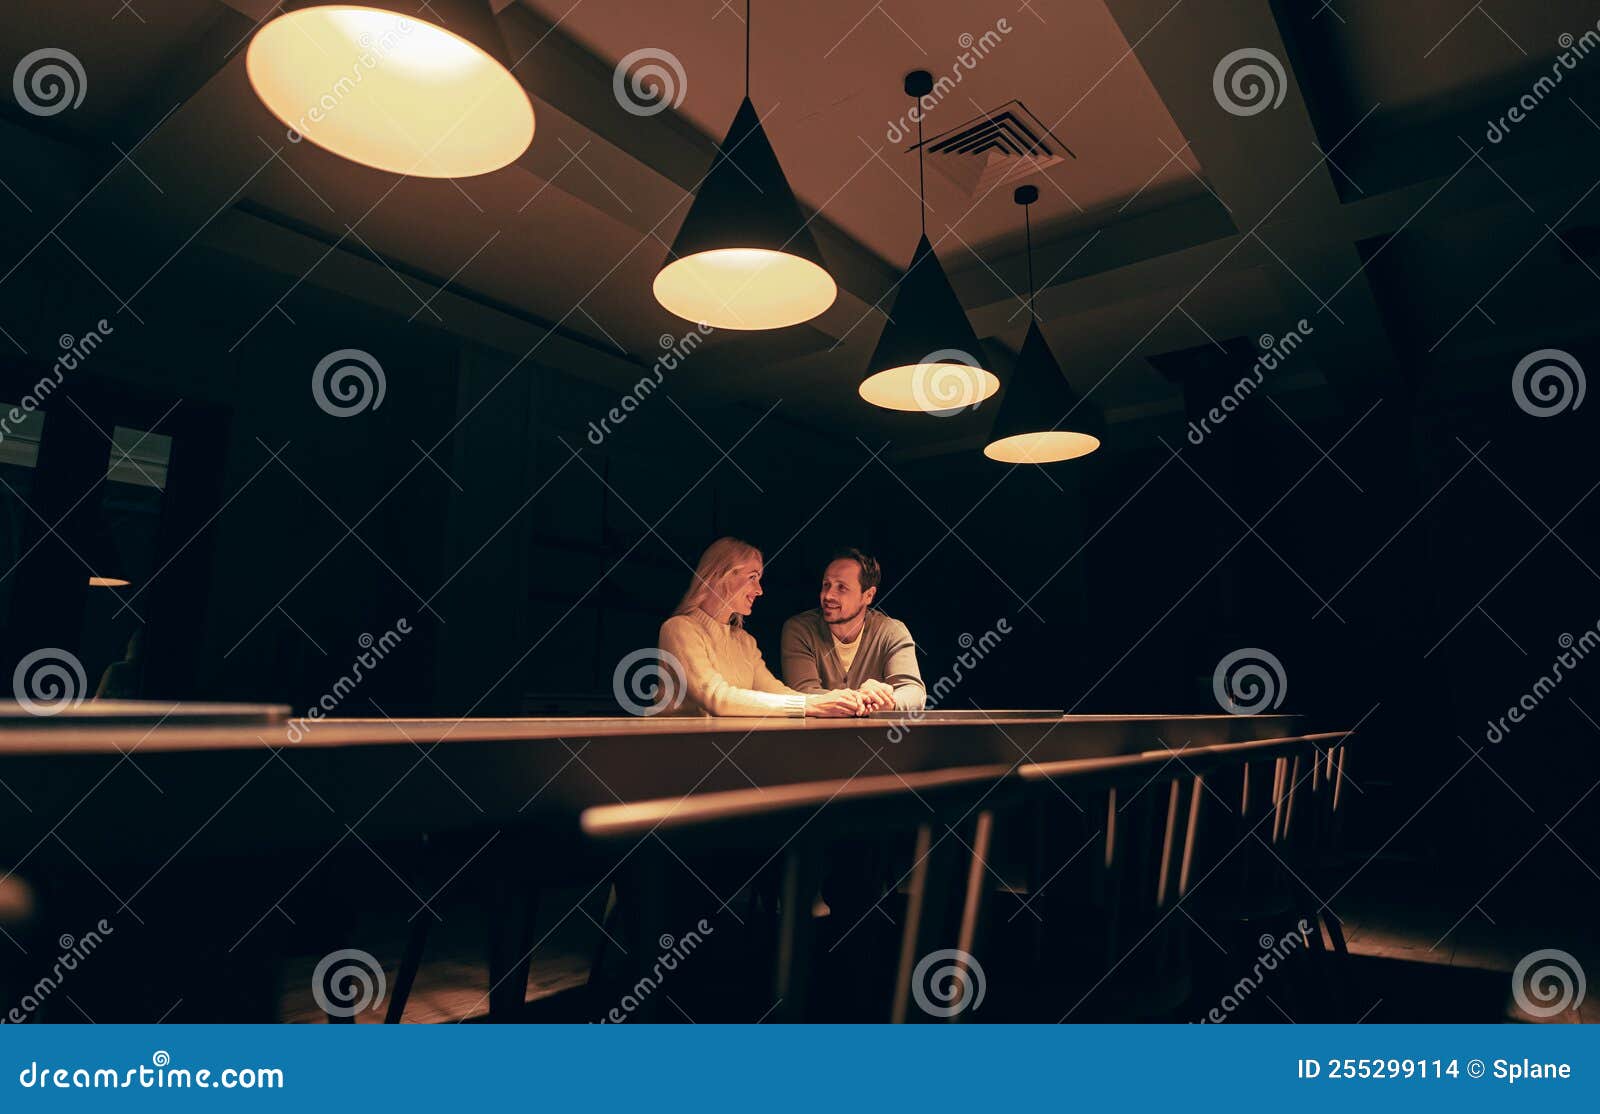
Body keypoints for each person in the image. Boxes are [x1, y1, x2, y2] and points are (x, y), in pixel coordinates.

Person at [657, 537, 865, 716]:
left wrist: (843, 699)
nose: (759, 590)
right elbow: (716, 698)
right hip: (680, 753)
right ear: (722, 576)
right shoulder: (678, 629)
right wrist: (810, 704)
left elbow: (776, 692)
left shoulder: (745, 642)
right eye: (753, 577)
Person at [781, 547, 925, 713]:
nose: (828, 595)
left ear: (868, 595)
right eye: (826, 585)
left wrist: (889, 701)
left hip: (877, 738)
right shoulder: (800, 629)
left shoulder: (891, 631)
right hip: (817, 737)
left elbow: (914, 692)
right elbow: (803, 694)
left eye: (841, 587)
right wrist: (866, 699)